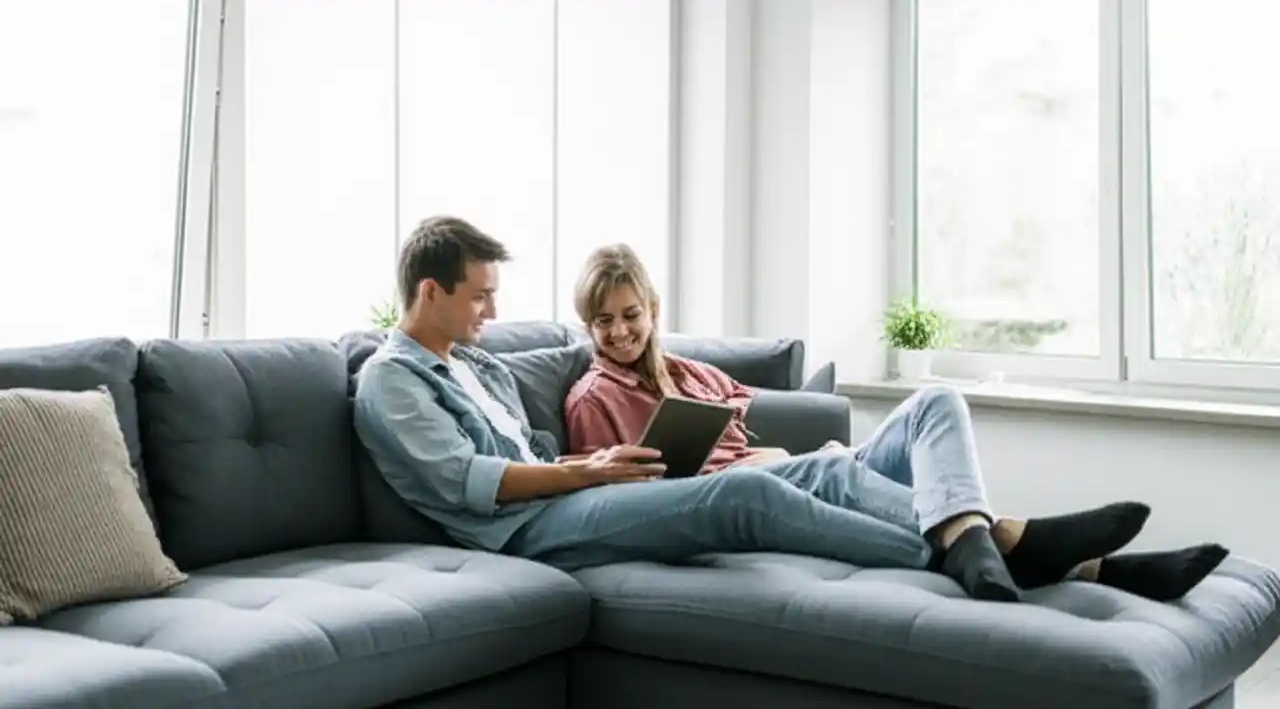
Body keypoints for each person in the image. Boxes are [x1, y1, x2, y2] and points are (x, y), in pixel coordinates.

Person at [354, 218, 1228, 603]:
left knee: (827, 464)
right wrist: (586, 467)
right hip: (520, 532)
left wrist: (589, 468)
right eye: (478, 296)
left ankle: (1005, 545)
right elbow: (473, 485)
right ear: (429, 291)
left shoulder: (473, 362)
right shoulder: (393, 380)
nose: (493, 314)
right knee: (751, 496)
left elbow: (535, 441)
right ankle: (1008, 551)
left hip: (573, 495)